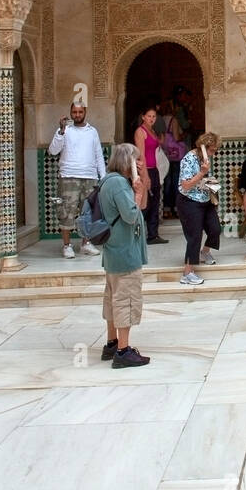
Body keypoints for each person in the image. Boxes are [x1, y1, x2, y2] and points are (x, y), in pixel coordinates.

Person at [97, 143, 150, 368]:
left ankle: (112, 342)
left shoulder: (109, 180)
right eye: (135, 160)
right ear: (126, 160)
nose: (138, 163)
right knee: (125, 299)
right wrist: (137, 193)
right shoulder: (118, 184)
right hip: (124, 252)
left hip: (114, 250)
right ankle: (123, 351)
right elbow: (130, 215)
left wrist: (139, 187)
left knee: (112, 297)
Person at [48, 102, 107, 259]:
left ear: (85, 112)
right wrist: (60, 131)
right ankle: (66, 246)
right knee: (66, 211)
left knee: (87, 212)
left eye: (80, 112)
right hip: (69, 177)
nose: (77, 115)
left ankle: (86, 243)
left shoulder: (92, 131)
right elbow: (53, 150)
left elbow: (98, 155)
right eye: (74, 112)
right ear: (70, 113)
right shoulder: (65, 130)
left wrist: (104, 177)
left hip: (90, 177)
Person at [176, 131, 223, 285]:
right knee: (194, 235)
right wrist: (202, 172)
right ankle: (187, 273)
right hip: (188, 201)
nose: (214, 153)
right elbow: (186, 185)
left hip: (204, 200)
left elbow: (205, 179)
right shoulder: (189, 159)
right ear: (205, 147)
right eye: (212, 150)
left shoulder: (206, 158)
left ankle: (205, 252)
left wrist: (213, 185)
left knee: (215, 229)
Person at [133, 104, 168, 245]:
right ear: (143, 117)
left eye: (154, 116)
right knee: (144, 204)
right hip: (145, 170)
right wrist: (144, 176)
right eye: (149, 116)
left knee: (155, 203)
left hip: (154, 170)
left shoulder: (152, 131)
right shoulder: (140, 132)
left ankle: (153, 235)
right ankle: (138, 235)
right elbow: (141, 154)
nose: (152, 119)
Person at [154, 100, 185, 221]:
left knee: (166, 181)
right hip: (175, 156)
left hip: (163, 153)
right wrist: (183, 136)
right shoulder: (174, 120)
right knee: (176, 181)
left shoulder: (159, 120)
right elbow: (176, 137)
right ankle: (177, 209)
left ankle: (165, 209)